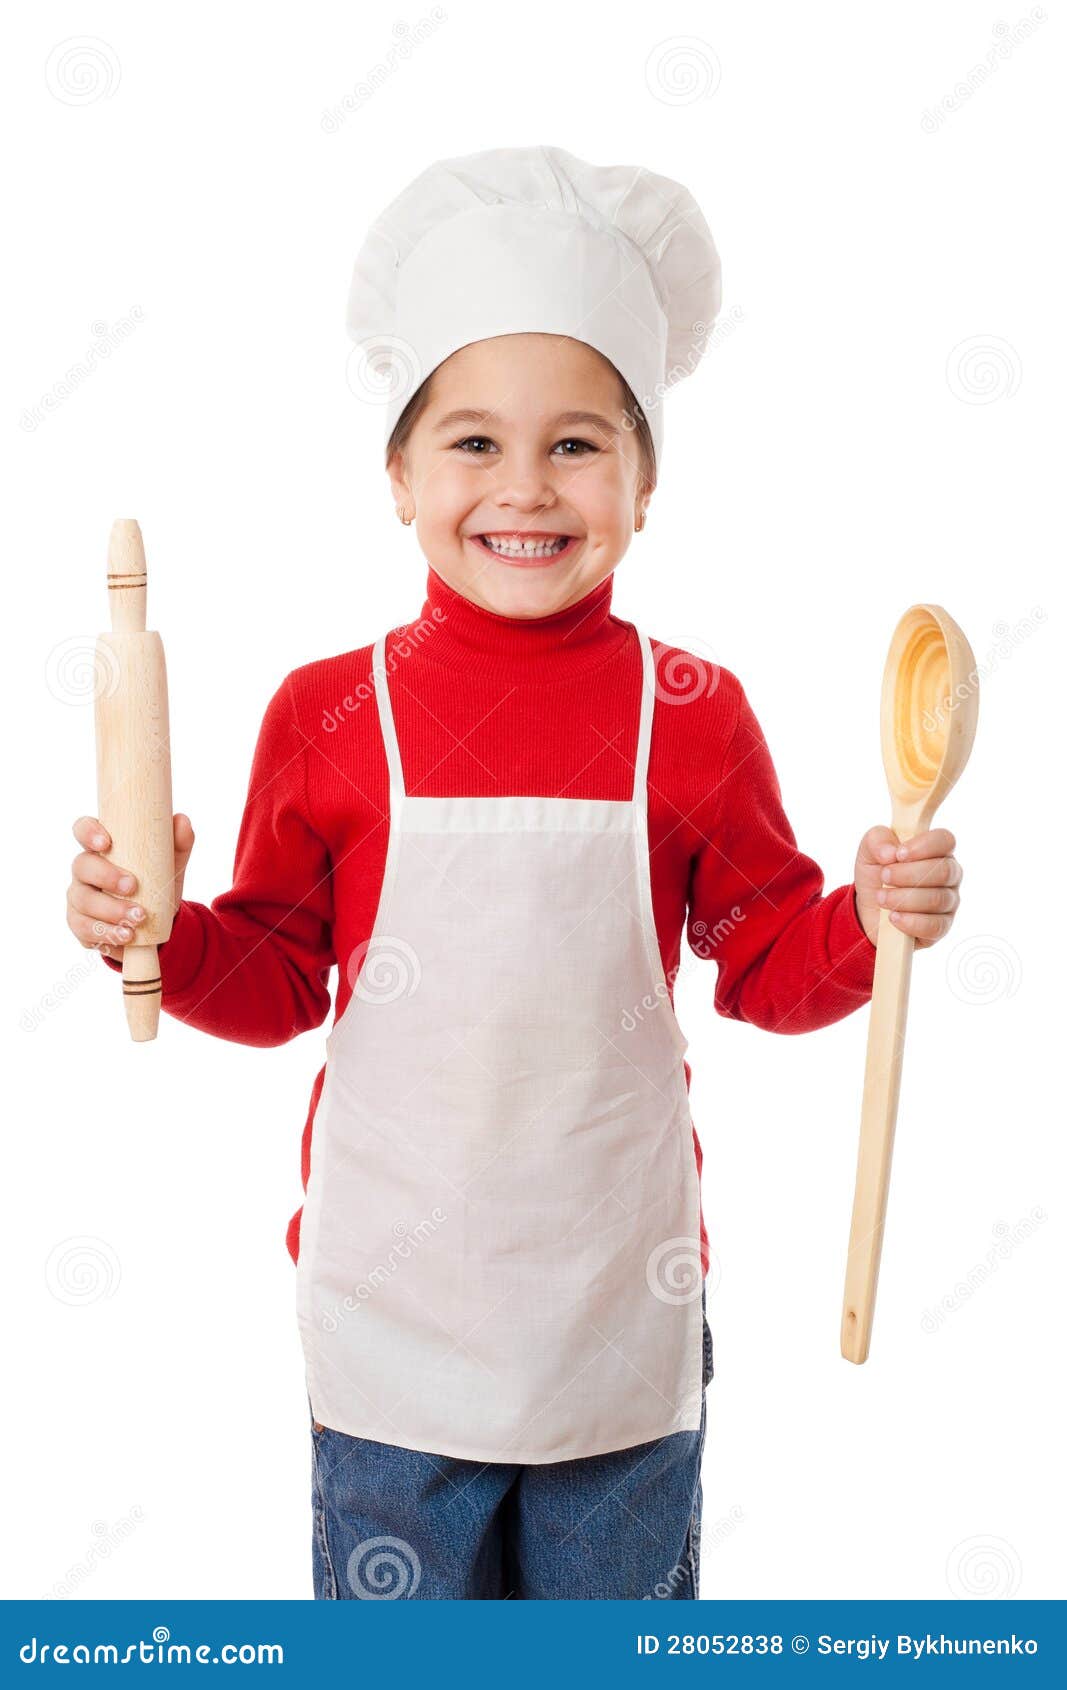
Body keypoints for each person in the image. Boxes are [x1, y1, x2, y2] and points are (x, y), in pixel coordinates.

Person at [66, 145, 963, 1600]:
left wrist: (870, 920)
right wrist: (153, 932)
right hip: (390, 1341)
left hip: (616, 1328)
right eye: (474, 443)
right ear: (400, 476)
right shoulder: (326, 711)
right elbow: (280, 972)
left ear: (646, 479)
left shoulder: (696, 711)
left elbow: (771, 959)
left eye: (578, 444)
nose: (525, 488)